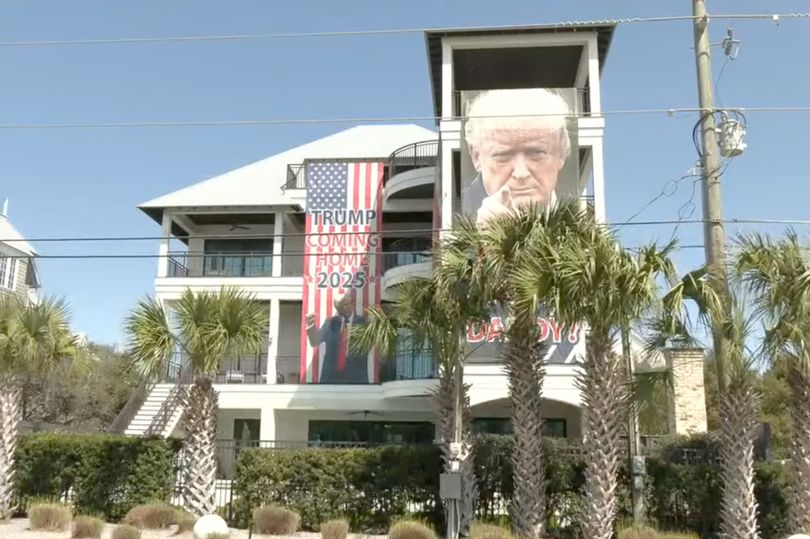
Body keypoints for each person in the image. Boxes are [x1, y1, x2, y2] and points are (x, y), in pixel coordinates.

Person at [462, 88, 572, 227]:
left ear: (561, 153)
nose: (521, 173)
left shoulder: (587, 232)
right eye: (502, 155)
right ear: (476, 157)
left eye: (537, 153)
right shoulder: (454, 233)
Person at [305, 293, 369, 384]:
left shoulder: (363, 323)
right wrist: (310, 326)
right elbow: (315, 341)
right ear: (338, 309)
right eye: (343, 305)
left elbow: (371, 343)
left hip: (356, 377)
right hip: (331, 377)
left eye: (348, 303)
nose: (347, 307)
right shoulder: (330, 323)